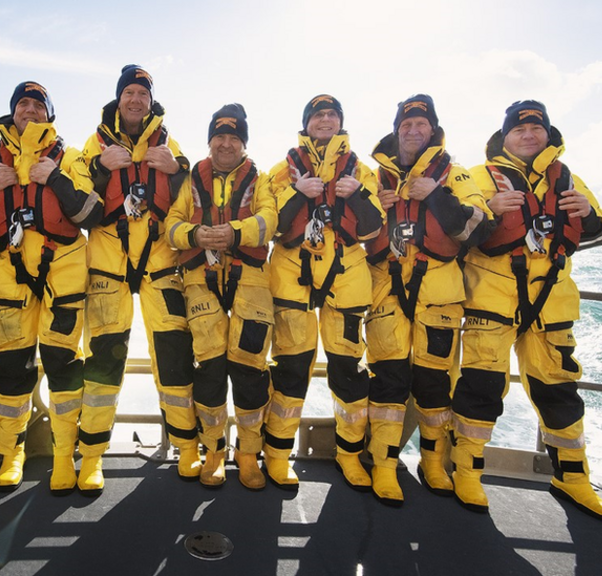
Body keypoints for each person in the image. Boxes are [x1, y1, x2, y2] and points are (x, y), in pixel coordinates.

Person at [451, 101, 602, 522]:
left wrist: (590, 216)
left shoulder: (569, 179)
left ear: (547, 134)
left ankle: (574, 479)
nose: (528, 134)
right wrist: (491, 213)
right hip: (491, 298)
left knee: (559, 392)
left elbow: (597, 232)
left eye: (536, 127)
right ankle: (466, 472)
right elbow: (456, 233)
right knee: (481, 387)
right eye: (519, 128)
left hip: (551, 301)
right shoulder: (475, 176)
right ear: (504, 136)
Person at [0, 81, 102, 495]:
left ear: (49, 113)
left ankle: (66, 457)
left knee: (64, 366)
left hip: (62, 273)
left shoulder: (73, 157)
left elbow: (90, 212)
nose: (29, 110)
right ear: (13, 112)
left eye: (37, 104)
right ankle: (12, 455)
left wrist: (57, 179)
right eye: (22, 104)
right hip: (8, 277)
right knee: (12, 369)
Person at [364, 94, 493, 506]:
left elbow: (478, 230)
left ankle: (433, 464)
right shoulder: (374, 176)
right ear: (396, 130)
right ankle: (383, 465)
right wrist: (373, 209)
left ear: (433, 130)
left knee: (435, 383)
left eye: (421, 125)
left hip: (439, 291)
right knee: (388, 380)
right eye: (406, 125)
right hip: (386, 285)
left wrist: (435, 194)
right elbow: (352, 236)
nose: (413, 131)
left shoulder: (455, 175)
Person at [78, 65, 197, 493]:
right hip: (108, 265)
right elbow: (74, 201)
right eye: (128, 92)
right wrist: (97, 166)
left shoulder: (171, 145)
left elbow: (190, 201)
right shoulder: (90, 145)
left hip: (161, 266)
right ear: (118, 98)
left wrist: (178, 167)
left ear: (150, 101)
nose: (135, 100)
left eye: (142, 94)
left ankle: (187, 448)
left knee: (174, 358)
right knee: (104, 363)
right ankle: (91, 457)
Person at [265, 95, 385, 491]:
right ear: (306, 123)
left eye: (333, 114)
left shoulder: (363, 172)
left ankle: (350, 456)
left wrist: (359, 195)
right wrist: (299, 191)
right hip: (292, 277)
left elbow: (371, 231)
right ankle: (277, 456)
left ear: (341, 123)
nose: (326, 120)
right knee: (291, 369)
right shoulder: (281, 172)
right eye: (318, 115)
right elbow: (273, 227)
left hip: (347, 277)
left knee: (348, 370)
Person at [165, 104, 277, 488]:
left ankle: (248, 455)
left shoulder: (261, 179)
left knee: (249, 369)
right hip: (201, 280)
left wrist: (236, 232)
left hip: (251, 283)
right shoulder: (191, 179)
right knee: (210, 370)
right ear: (210, 141)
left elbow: (269, 219)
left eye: (234, 138)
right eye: (219, 137)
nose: (226, 144)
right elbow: (171, 226)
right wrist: (194, 235)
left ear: (243, 144)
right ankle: (213, 451)